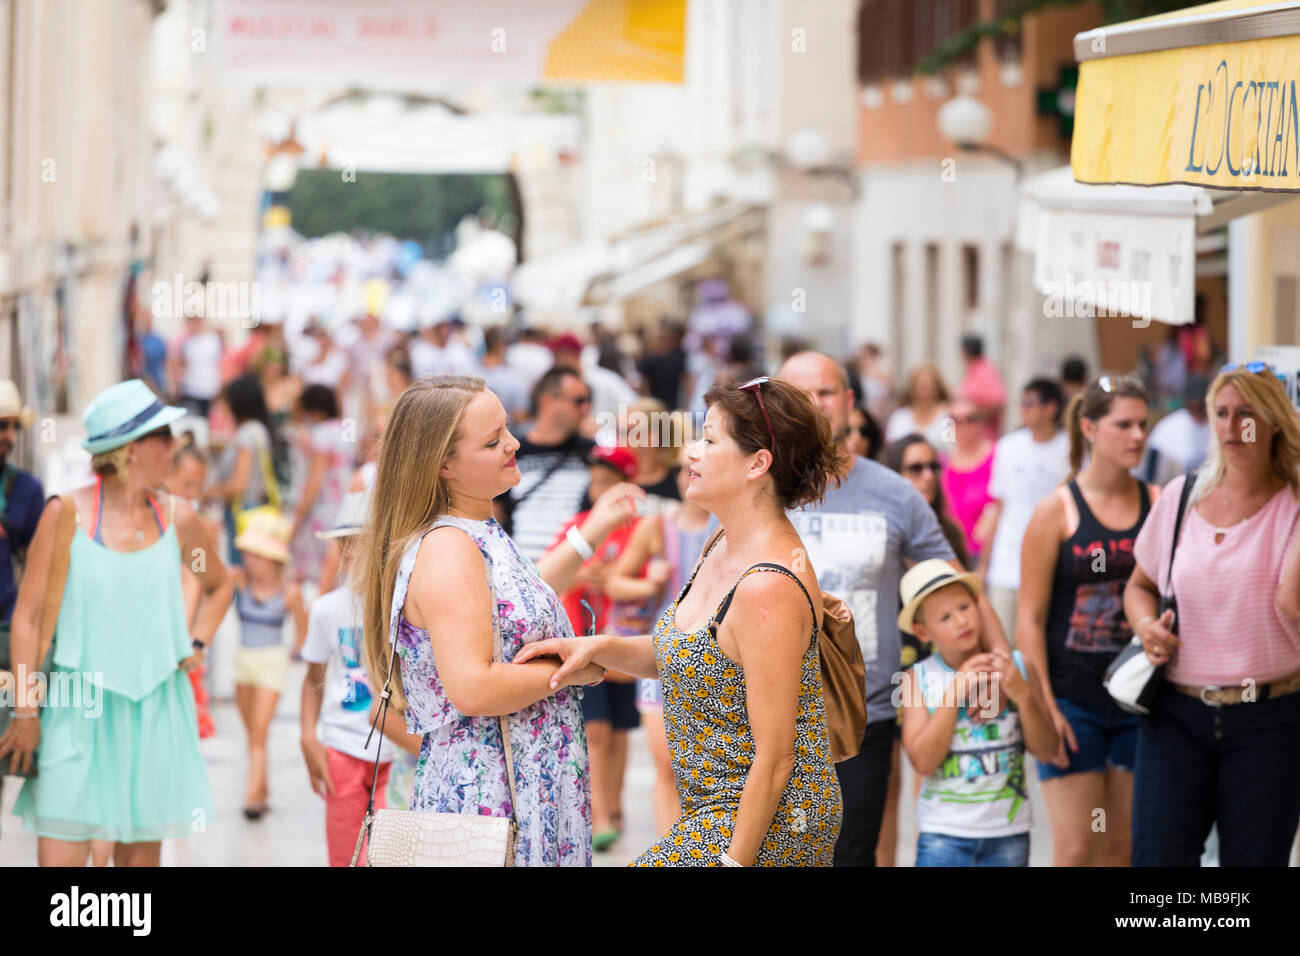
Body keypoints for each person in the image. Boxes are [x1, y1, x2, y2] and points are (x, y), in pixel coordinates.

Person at [517, 376, 847, 866]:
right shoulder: (722, 541)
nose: (690, 450)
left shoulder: (767, 585)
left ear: (758, 464)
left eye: (710, 440)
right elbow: (689, 653)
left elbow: (777, 759)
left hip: (768, 822)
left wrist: (734, 862)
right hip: (713, 812)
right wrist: (596, 647)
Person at [356, 375, 640, 867]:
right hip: (495, 796)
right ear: (442, 465)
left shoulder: (475, 529)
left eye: (506, 429)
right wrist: (577, 667)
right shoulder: (449, 546)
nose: (514, 444)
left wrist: (588, 535)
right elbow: (473, 687)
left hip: (520, 784)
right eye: (493, 441)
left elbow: (517, 604)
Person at [776, 351, 1009, 867]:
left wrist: (999, 667)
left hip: (864, 714)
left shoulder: (894, 493)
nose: (816, 405)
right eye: (800, 394)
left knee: (853, 855)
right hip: (768, 711)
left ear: (850, 402)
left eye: (828, 392)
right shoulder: (757, 488)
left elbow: (959, 587)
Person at [0, 379, 231, 865]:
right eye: (162, 436)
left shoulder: (179, 521)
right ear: (128, 451)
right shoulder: (65, 516)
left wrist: (198, 641)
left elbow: (216, 585)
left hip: (155, 712)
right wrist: (24, 711)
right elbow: (28, 616)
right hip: (75, 711)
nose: (174, 444)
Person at [1125, 364, 1300, 866]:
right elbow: (1139, 586)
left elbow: (1291, 604)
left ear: (1273, 422)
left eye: (1245, 414)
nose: (1229, 426)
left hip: (1270, 719)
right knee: (1157, 863)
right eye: (1220, 413)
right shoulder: (1181, 497)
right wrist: (1145, 626)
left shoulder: (1292, 505)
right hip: (1175, 715)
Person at [1019, 375, 1157, 866]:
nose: (1138, 435)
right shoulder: (1056, 511)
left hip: (1139, 698)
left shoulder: (1158, 503)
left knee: (1120, 849)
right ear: (1090, 429)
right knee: (1077, 849)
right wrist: (1044, 705)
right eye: (1124, 424)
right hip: (1072, 699)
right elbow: (1029, 619)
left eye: (1143, 424)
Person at [897, 561, 1058, 866]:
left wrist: (1021, 694)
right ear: (922, 631)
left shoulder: (1020, 668)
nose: (961, 620)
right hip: (943, 835)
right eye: (945, 617)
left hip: (1009, 833)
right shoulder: (916, 679)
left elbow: (1047, 750)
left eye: (965, 606)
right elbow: (923, 762)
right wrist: (955, 693)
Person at [605, 420, 714, 837]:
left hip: (714, 657)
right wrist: (647, 581)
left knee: (705, 769)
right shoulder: (660, 525)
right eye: (688, 465)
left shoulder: (729, 527)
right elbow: (616, 581)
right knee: (666, 763)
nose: (693, 472)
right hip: (661, 655)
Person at [546, 445, 643, 852]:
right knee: (596, 732)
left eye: (609, 481)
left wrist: (619, 578)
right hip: (588, 641)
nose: (598, 488)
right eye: (596, 481)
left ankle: (614, 809)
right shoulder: (580, 525)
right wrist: (590, 573)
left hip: (631, 642)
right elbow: (553, 575)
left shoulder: (642, 526)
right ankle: (598, 813)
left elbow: (652, 569)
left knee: (619, 732)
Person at [300, 490, 396, 866]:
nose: (351, 555)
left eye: (363, 544)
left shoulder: (402, 605)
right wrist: (308, 735)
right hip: (341, 745)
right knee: (346, 854)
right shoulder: (326, 610)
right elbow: (312, 678)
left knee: (391, 853)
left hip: (395, 750)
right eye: (345, 545)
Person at [230, 508, 306, 819]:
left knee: (259, 732)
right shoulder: (239, 580)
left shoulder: (290, 592)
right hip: (243, 660)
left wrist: (293, 653)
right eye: (248, 554)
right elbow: (206, 572)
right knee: (251, 733)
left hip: (271, 662)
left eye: (257, 555)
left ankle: (251, 799)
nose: (251, 561)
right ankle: (262, 790)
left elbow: (303, 632)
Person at [983, 378, 1069, 645]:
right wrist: (984, 563)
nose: (1024, 409)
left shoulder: (1069, 448)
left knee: (1039, 643)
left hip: (1051, 563)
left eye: (1031, 403)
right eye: (1022, 403)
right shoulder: (1008, 447)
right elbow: (998, 507)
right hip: (1006, 564)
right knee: (1002, 645)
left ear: (1051, 407)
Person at [499, 366, 595, 560]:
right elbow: (495, 513)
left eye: (588, 401)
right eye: (579, 401)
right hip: (520, 571)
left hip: (574, 571)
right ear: (548, 402)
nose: (586, 409)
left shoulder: (592, 453)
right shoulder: (512, 450)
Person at [208, 373, 280, 564]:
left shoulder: (247, 434)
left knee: (241, 570)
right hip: (255, 510)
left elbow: (239, 485)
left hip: (244, 513)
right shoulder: (259, 430)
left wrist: (210, 491)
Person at [289, 384, 352, 589]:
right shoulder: (345, 429)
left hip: (322, 509)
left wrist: (298, 516)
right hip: (344, 505)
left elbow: (316, 478)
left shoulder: (321, 434)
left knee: (318, 573)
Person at [883, 434, 969, 568]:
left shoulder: (950, 532)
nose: (929, 476)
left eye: (933, 467)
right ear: (894, 474)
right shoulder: (880, 533)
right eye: (916, 468)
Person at [941, 397, 997, 563]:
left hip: (987, 552)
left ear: (981, 422)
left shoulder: (996, 456)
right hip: (952, 550)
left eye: (970, 419)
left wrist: (991, 513)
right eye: (955, 420)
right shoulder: (943, 461)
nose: (963, 426)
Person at [1143, 374, 1211, 486]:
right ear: (1186, 402)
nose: (1197, 410)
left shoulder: (1219, 424)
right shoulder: (1168, 426)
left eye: (1201, 406)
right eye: (1193, 405)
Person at [885, 363, 951, 450]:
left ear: (938, 388)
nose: (926, 393)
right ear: (913, 389)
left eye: (930, 387)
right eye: (922, 387)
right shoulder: (899, 417)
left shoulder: (948, 417)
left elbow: (952, 449)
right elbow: (891, 448)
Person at [169, 314, 223, 418]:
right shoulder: (184, 341)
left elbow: (219, 365)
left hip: (210, 389)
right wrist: (176, 387)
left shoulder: (213, 340)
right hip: (191, 389)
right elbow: (177, 364)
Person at [957, 335, 1008, 439]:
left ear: (966, 351)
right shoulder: (973, 370)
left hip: (983, 436)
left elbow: (996, 403)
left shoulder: (985, 371)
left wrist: (972, 415)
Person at [479, 326, 530, 423]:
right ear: (502, 345)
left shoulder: (470, 373)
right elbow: (520, 416)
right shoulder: (514, 379)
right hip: (507, 431)